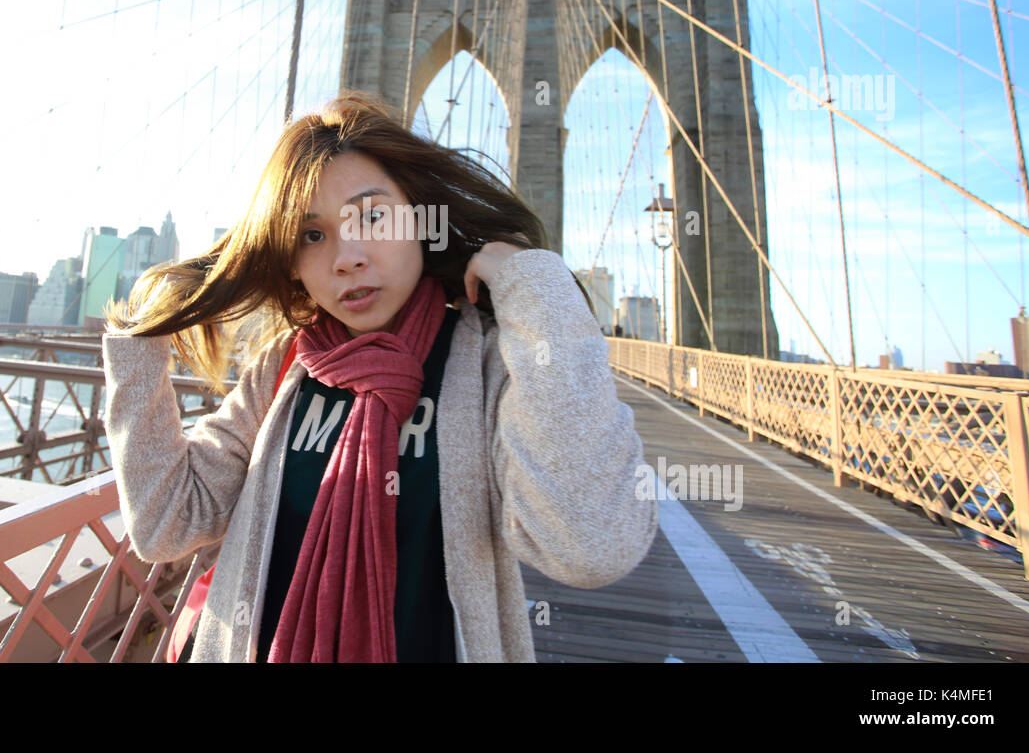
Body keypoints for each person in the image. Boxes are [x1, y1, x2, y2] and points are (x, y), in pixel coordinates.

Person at [101, 91, 657, 662]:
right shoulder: (285, 366)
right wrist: (139, 341)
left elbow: (591, 545)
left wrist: (531, 281)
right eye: (311, 235)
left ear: (421, 217)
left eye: (372, 215)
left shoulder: (491, 365)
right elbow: (167, 524)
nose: (348, 257)